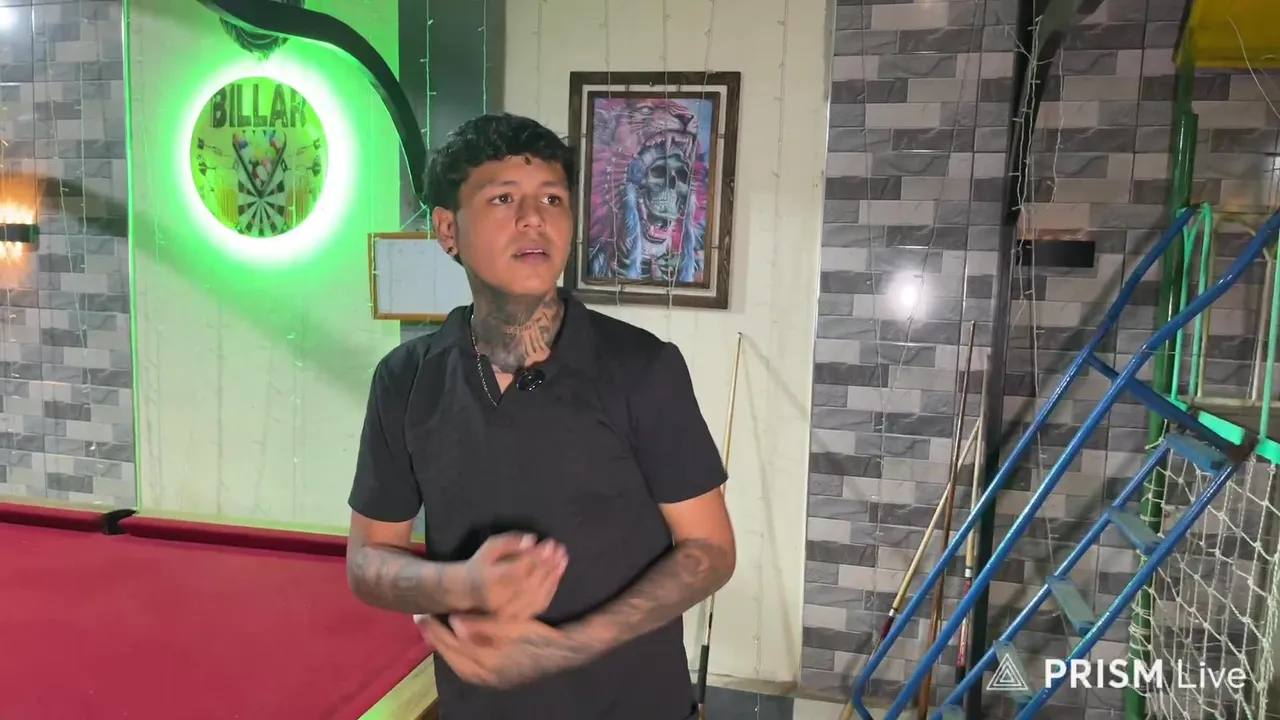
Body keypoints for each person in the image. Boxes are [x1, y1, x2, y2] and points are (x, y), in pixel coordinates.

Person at [344, 113, 736, 720]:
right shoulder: (406, 380)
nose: (534, 218)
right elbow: (368, 559)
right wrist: (462, 584)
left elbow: (709, 549)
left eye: (552, 198)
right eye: (503, 198)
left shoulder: (642, 368)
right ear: (448, 229)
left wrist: (565, 647)